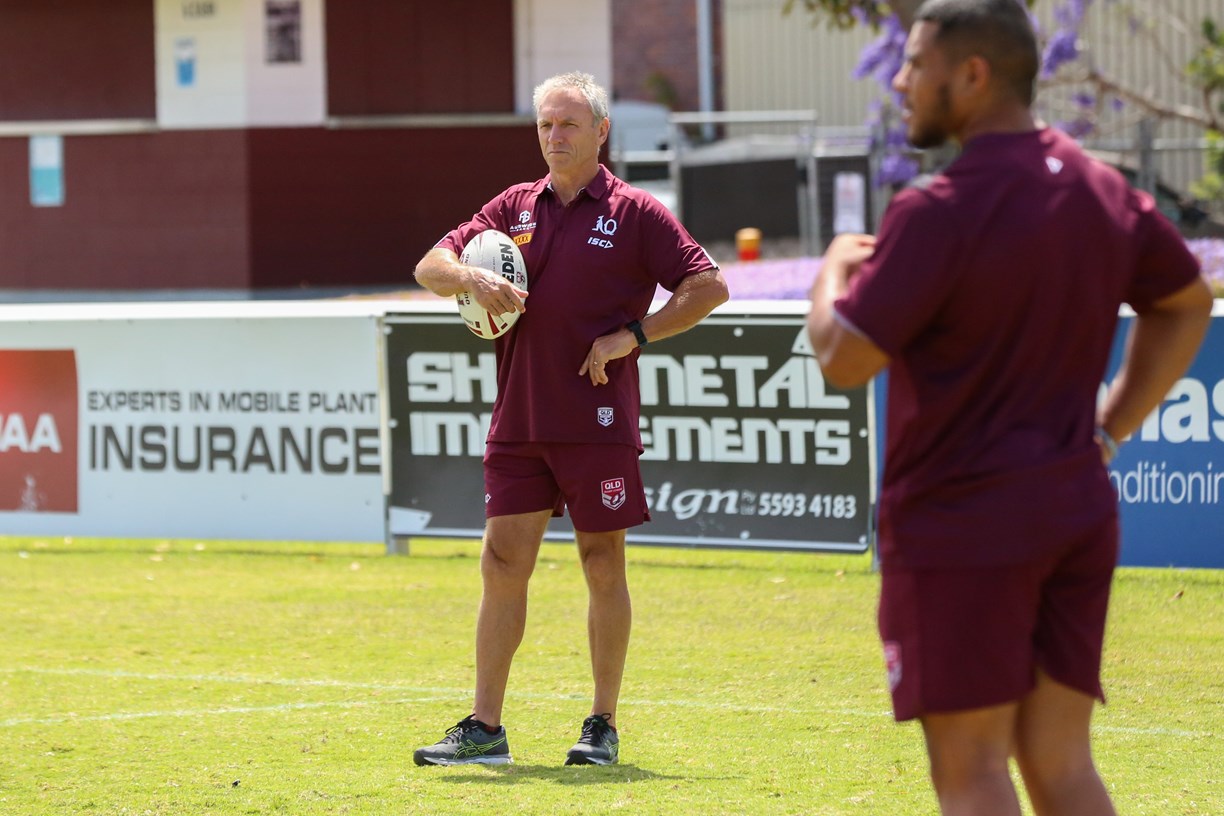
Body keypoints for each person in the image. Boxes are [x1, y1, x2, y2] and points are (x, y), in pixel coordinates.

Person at [806, 1, 1214, 814]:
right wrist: (1109, 430)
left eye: (917, 64)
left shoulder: (938, 208)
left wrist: (833, 273)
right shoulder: (1103, 189)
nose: (901, 79)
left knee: (972, 771)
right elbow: (1187, 302)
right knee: (1061, 764)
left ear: (974, 74)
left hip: (962, 523)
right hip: (1074, 508)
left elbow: (843, 357)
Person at [411, 71, 728, 767]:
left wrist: (634, 336)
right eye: (545, 126)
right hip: (519, 419)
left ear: (601, 131)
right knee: (500, 563)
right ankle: (485, 729)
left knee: (601, 563)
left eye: (569, 125)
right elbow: (428, 266)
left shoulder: (637, 211)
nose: (555, 137)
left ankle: (601, 726)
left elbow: (708, 286)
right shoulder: (512, 208)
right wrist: (469, 278)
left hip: (596, 419)